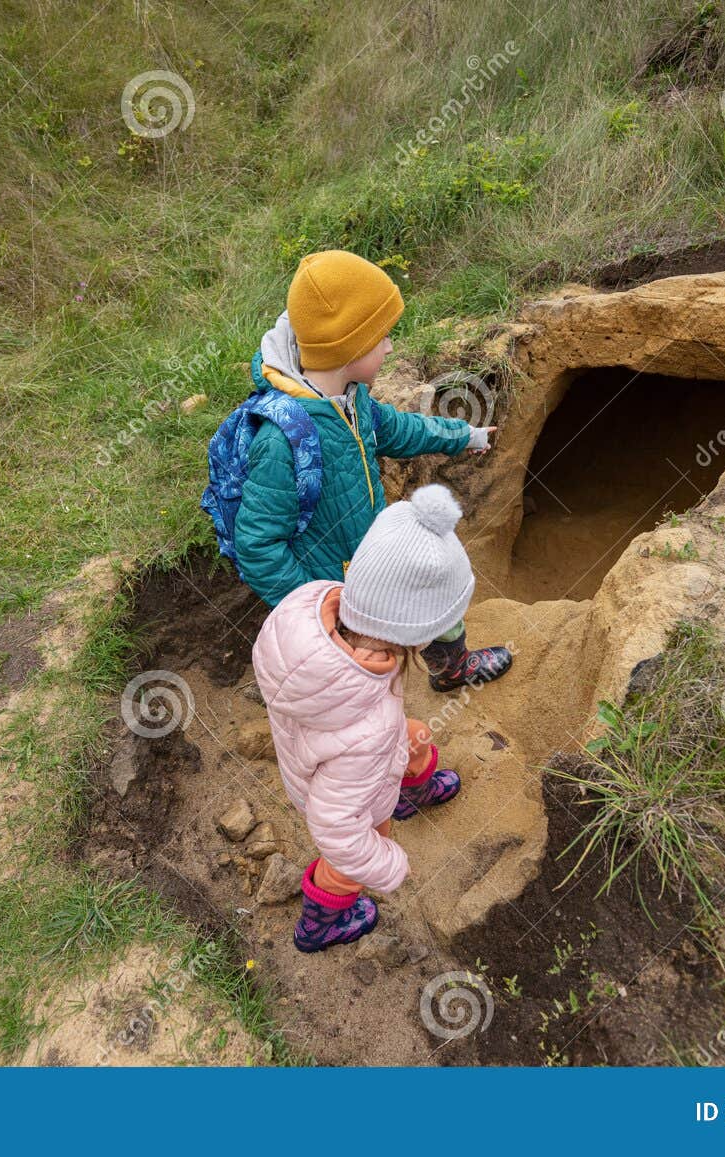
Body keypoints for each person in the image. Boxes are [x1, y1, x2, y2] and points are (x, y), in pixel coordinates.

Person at [209, 249, 511, 692]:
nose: (390, 346)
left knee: (424, 585)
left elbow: (400, 429)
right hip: (333, 586)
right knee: (363, 678)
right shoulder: (281, 440)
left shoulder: (353, 398)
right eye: (382, 337)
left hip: (371, 552)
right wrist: (317, 612)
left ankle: (451, 666)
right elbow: (257, 546)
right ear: (348, 348)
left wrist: (462, 436)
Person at [252, 484, 478, 952]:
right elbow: (337, 829)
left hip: (326, 753)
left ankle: (410, 794)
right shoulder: (368, 732)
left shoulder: (316, 608)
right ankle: (321, 924)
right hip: (348, 796)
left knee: (413, 735)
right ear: (415, 629)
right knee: (349, 859)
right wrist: (386, 863)